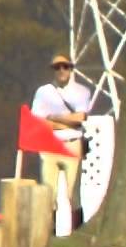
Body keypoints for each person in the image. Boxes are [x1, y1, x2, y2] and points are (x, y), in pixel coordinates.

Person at [31, 53, 92, 229]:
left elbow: (80, 118)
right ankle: (50, 228)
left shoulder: (82, 92)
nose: (61, 70)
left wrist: (54, 118)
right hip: (50, 145)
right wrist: (66, 121)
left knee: (71, 192)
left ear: (71, 68)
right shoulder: (43, 92)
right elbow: (38, 121)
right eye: (57, 67)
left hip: (72, 144)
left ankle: (75, 229)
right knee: (48, 193)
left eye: (65, 66)